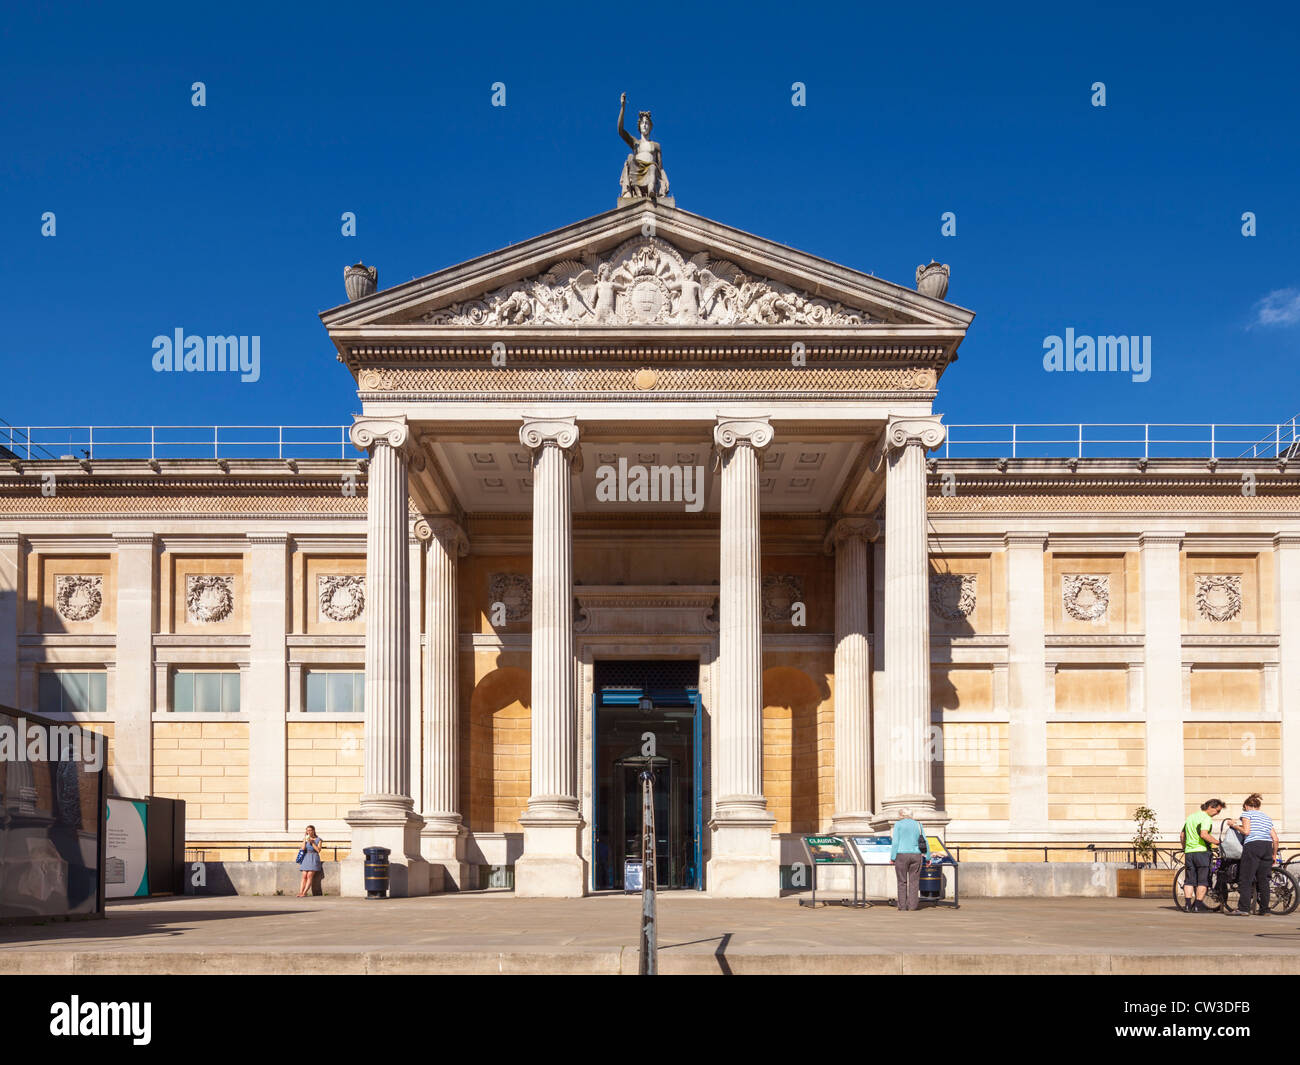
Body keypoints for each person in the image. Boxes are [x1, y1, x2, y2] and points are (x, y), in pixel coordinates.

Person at [1228, 794, 1278, 916]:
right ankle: (1265, 909)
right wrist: (1274, 855)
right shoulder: (1267, 818)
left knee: (1246, 878)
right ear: (1258, 806)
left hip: (1253, 846)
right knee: (1264, 880)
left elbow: (1246, 831)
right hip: (1267, 847)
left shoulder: (1246, 814)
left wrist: (1234, 825)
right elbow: (1275, 839)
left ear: (1246, 806)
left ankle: (1244, 908)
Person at [1179, 798, 1223, 912]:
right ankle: (1198, 905)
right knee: (1203, 880)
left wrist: (1185, 848)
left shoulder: (1191, 817)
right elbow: (1204, 834)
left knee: (1189, 880)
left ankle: (1188, 905)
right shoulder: (1206, 818)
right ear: (1211, 807)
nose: (1217, 814)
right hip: (1202, 852)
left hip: (1189, 852)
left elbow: (1182, 835)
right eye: (1217, 811)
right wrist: (1218, 842)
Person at [890, 808, 930, 911]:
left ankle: (902, 906)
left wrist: (893, 857)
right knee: (914, 882)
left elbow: (895, 842)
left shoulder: (898, 824)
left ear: (902, 815)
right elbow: (925, 841)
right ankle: (912, 906)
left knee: (902, 881)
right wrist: (928, 856)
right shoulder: (918, 824)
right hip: (916, 855)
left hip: (901, 855)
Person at [297, 825, 323, 898]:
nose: (309, 832)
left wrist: (312, 843)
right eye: (307, 830)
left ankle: (304, 893)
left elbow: (318, 850)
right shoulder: (305, 838)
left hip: (314, 857)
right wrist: (305, 840)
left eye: (310, 830)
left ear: (313, 830)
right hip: (306, 857)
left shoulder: (319, 839)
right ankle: (301, 892)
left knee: (309, 876)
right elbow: (302, 849)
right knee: (304, 876)